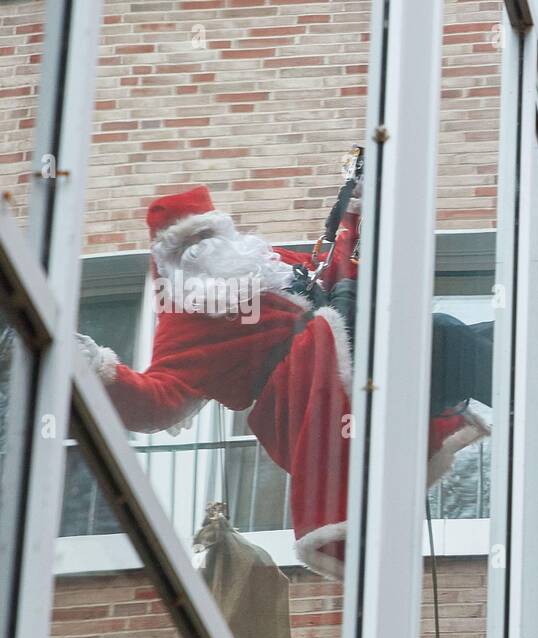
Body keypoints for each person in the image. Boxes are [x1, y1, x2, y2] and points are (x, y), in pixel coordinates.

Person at [75, 183, 489, 578]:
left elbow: (333, 269)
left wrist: (354, 210)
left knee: (474, 338)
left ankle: (537, 376)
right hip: (311, 399)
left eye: (208, 234)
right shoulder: (185, 321)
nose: (202, 249)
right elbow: (156, 402)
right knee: (449, 340)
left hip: (364, 361)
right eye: (187, 245)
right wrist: (98, 371)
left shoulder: (266, 264)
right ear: (169, 262)